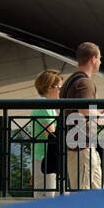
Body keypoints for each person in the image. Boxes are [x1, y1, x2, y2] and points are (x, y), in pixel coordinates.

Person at [59, 43, 104, 190]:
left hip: (79, 145)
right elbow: (84, 111)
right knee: (83, 192)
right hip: (82, 147)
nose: (100, 62)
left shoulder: (70, 81)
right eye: (99, 58)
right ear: (93, 59)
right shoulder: (85, 83)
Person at [30, 68, 64, 196]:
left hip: (44, 159)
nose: (61, 91)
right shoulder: (44, 106)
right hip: (45, 159)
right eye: (59, 87)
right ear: (50, 87)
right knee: (48, 199)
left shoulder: (47, 106)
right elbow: (51, 134)